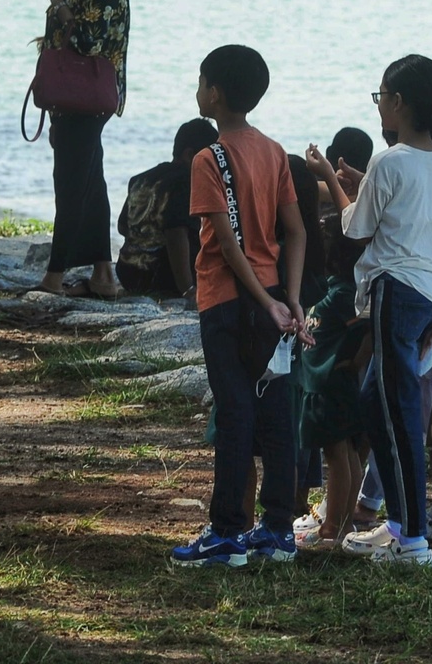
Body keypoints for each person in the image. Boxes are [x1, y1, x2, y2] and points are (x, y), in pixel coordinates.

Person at [325, 55, 432, 568]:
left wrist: (330, 180)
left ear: (399, 103)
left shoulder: (390, 162)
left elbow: (354, 228)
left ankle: (411, 541)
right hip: (428, 298)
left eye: (380, 95)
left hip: (393, 292)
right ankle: (402, 528)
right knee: (380, 403)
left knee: (398, 415)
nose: (379, 104)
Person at [169, 45, 308, 568]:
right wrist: (287, 300)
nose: (198, 89)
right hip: (271, 298)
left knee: (234, 413)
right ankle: (277, 530)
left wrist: (261, 300)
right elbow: (293, 233)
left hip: (228, 302)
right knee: (275, 415)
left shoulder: (210, 158)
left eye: (202, 81)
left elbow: (226, 245)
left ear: (216, 93)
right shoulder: (274, 152)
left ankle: (227, 532)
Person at [37, 0, 131, 299]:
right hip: (87, 98)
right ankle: (103, 274)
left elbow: (89, 42)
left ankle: (54, 277)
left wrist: (59, 5)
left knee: (71, 184)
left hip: (84, 98)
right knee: (90, 182)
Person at [292, 129, 372, 552]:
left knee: (340, 457)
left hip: (333, 384)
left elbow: (366, 326)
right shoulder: (337, 290)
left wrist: (357, 361)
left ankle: (334, 528)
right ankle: (337, 523)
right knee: (344, 457)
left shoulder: (345, 292)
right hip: (323, 384)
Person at [115, 118, 216, 298]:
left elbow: (123, 227)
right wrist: (187, 289)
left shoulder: (140, 179)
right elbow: (176, 236)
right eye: (210, 160)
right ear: (190, 155)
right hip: (162, 278)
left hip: (128, 273)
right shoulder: (186, 182)